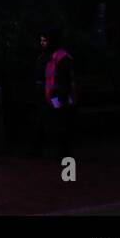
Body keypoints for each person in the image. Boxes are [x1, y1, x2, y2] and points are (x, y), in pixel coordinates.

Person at [31, 27, 77, 157]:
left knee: (59, 126)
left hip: (57, 98)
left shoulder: (61, 57)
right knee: (43, 124)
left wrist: (62, 98)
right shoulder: (45, 56)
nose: (42, 43)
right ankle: (39, 150)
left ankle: (62, 152)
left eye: (45, 40)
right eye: (41, 40)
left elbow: (66, 80)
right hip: (47, 97)